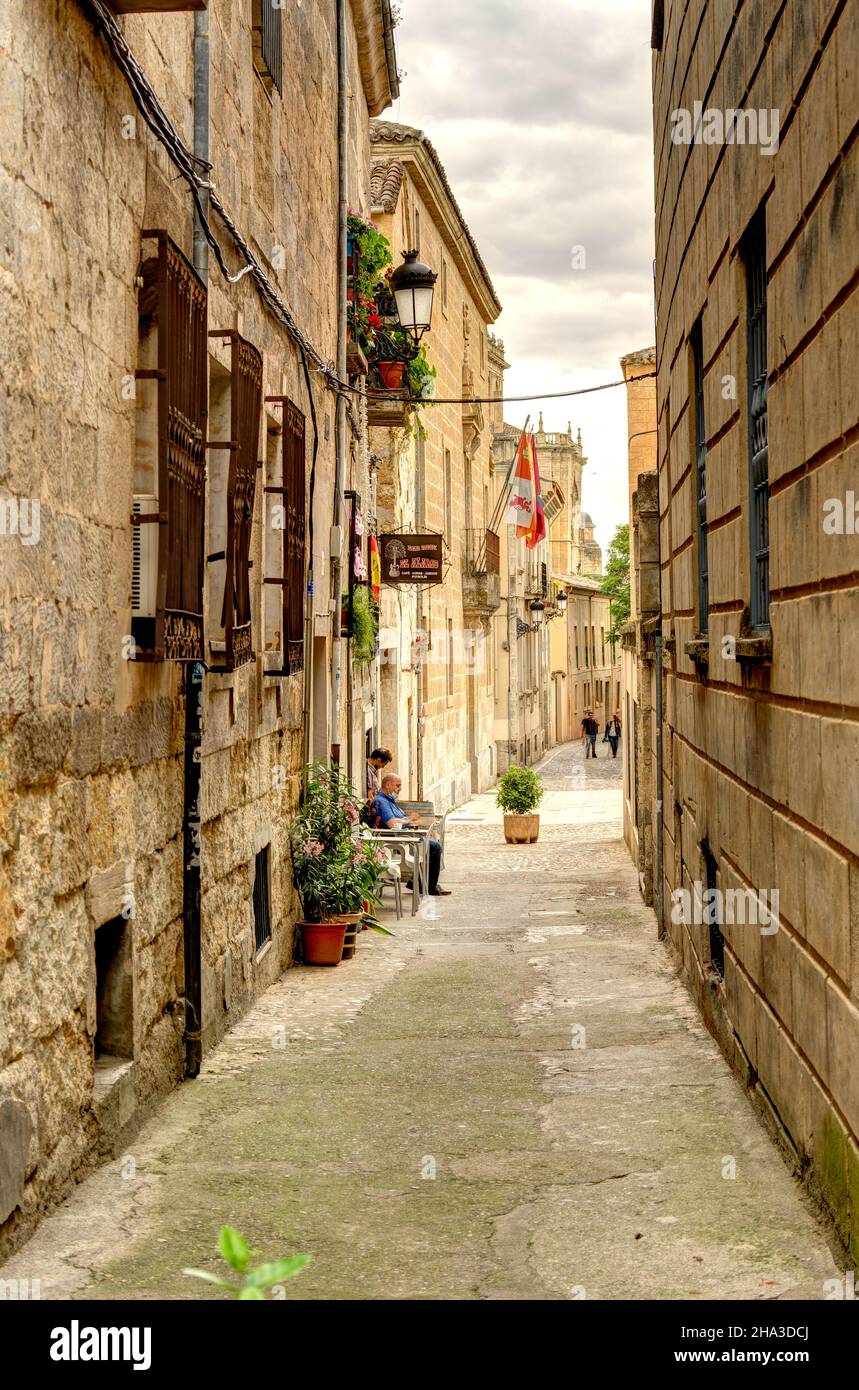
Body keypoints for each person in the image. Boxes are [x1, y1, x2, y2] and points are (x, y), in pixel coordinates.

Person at [369, 774, 450, 896]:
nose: (400, 789)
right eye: (398, 785)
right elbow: (392, 823)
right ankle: (428, 886)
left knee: (433, 844)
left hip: (405, 835)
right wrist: (409, 820)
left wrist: (409, 821)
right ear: (388, 785)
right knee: (435, 847)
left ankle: (420, 882)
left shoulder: (389, 800)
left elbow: (399, 819)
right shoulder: (381, 801)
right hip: (398, 839)